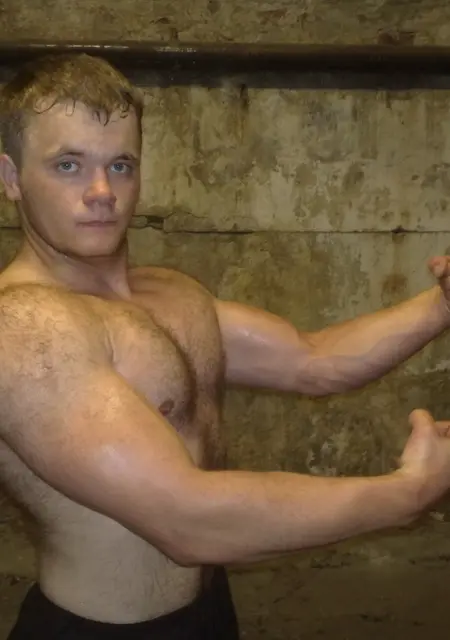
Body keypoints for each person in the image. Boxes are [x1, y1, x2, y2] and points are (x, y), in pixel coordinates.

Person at [1, 53, 450, 640]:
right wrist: (409, 493)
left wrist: (442, 304)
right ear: (11, 178)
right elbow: (186, 521)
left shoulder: (172, 295)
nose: (102, 191)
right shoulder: (23, 329)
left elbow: (313, 359)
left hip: (209, 612)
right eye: (68, 165)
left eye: (121, 165)